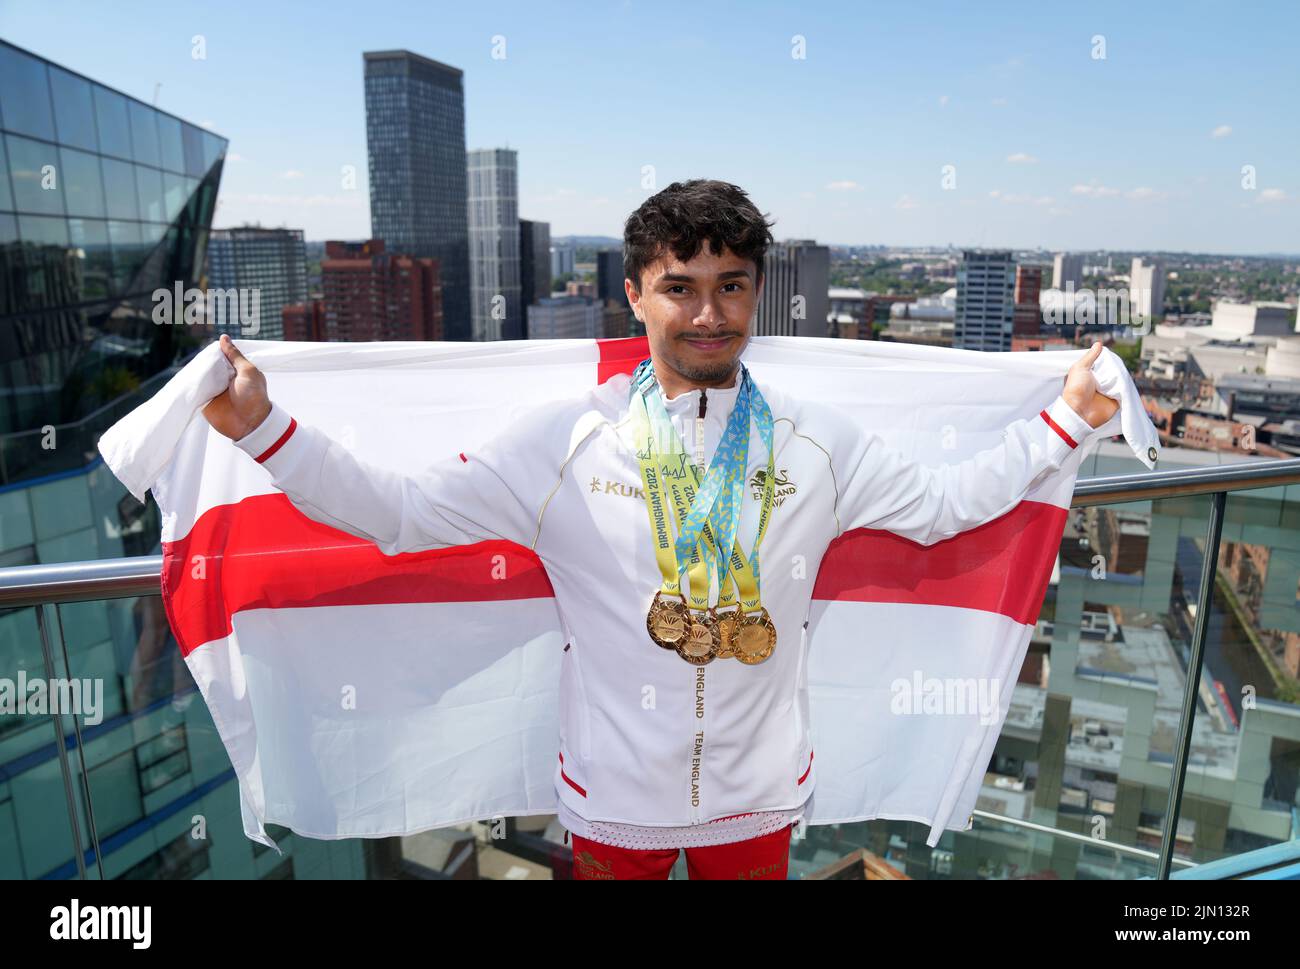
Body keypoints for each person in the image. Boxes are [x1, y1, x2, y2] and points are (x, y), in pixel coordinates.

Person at [201, 179, 1119, 880]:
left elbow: (947, 504)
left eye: (731, 286)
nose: (709, 314)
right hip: (613, 802)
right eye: (680, 287)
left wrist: (1066, 421)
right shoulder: (564, 443)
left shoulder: (818, 443)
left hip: (758, 800)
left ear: (757, 292)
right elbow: (400, 512)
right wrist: (266, 430)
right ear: (636, 294)